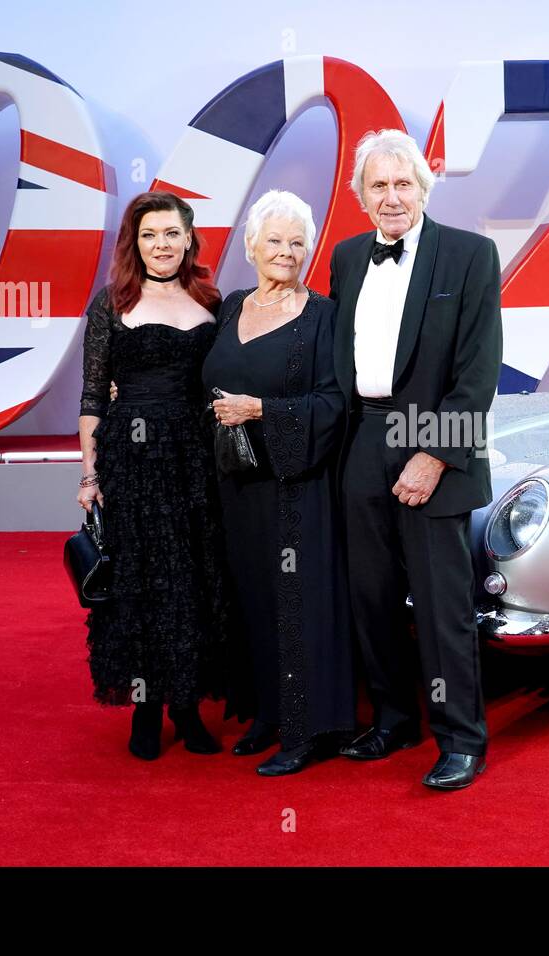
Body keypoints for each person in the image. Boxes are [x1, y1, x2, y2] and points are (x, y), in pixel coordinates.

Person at [329, 129, 503, 790]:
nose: (392, 197)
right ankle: (395, 719)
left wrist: (433, 453)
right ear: (362, 196)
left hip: (434, 437)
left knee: (441, 603)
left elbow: (477, 370)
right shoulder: (347, 258)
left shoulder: (470, 255)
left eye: (404, 184)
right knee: (369, 596)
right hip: (362, 438)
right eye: (379, 185)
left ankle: (462, 739)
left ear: (423, 189)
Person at [78, 190, 240, 760]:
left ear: (189, 240)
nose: (161, 245)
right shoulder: (112, 303)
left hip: (195, 459)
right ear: (135, 242)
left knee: (195, 580)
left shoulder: (213, 303)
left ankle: (188, 707)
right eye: (149, 235)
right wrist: (90, 475)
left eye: (171, 234)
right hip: (133, 463)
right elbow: (94, 396)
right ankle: (146, 711)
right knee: (143, 583)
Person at [202, 189, 354, 775]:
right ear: (250, 246)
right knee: (253, 600)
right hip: (236, 487)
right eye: (274, 241)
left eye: (297, 243)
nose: (286, 252)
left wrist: (262, 410)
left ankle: (307, 729)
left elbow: (336, 403)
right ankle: (267, 711)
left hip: (298, 485)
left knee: (300, 602)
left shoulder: (324, 316)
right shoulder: (230, 307)